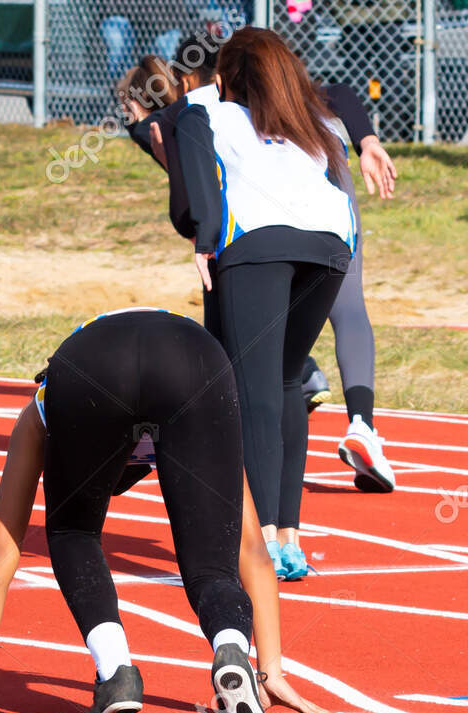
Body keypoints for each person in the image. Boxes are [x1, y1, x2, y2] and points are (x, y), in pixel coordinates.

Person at [0, 309, 333, 713]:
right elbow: (253, 550)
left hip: (93, 364)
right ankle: (231, 646)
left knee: (72, 533)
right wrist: (269, 669)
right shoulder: (161, 407)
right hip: (192, 357)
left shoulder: (42, 411)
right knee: (210, 565)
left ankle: (116, 670)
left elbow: (0, 555)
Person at [124, 30, 399, 494]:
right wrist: (367, 139)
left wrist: (147, 135)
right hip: (331, 216)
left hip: (269, 224)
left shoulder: (205, 105)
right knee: (343, 312)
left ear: (211, 75)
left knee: (233, 338)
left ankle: (169, 441)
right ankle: (359, 424)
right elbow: (344, 93)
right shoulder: (296, 92)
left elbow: (177, 176)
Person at [175, 27, 357, 583]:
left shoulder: (205, 107)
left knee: (251, 390)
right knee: (283, 384)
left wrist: (204, 239)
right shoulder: (310, 119)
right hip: (330, 246)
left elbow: (194, 172)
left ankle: (259, 546)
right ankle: (289, 540)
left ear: (226, 76)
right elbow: (338, 180)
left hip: (259, 243)